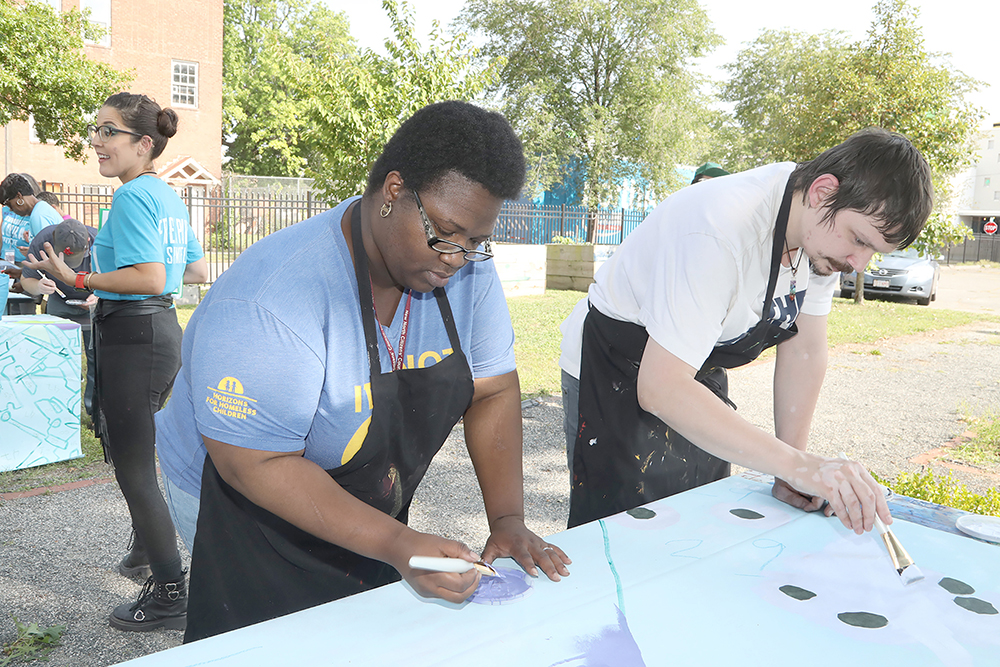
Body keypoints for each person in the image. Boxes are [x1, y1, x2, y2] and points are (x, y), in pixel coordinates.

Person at [153, 100, 572, 643]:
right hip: (240, 500)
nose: (455, 258)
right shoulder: (273, 300)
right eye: (445, 234)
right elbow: (255, 463)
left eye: (475, 242)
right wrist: (398, 544)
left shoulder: (462, 271)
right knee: (269, 642)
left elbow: (491, 390)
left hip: (356, 499)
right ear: (393, 192)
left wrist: (508, 519)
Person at [560, 128, 933, 532]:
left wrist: (791, 469)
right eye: (859, 240)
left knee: (696, 526)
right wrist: (802, 466)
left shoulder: (821, 237)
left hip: (691, 370)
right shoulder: (719, 227)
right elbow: (662, 387)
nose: (859, 263)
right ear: (822, 192)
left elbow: (805, 349)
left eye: (873, 251)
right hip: (616, 370)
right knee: (627, 537)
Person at [23, 92, 208, 632]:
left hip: (134, 337)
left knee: (133, 468)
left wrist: (76, 278)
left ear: (142, 143)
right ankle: (144, 553)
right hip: (158, 332)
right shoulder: (166, 195)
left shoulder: (131, 198)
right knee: (138, 458)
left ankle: (171, 596)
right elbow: (190, 271)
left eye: (108, 132)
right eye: (96, 130)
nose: (96, 142)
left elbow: (149, 277)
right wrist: (89, 281)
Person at [19, 218, 98, 418]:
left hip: (94, 303)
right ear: (53, 244)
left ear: (88, 242)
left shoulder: (101, 241)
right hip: (59, 301)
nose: (70, 269)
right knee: (55, 357)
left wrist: (99, 294)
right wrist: (38, 287)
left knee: (96, 358)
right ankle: (58, 410)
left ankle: (94, 412)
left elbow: (117, 276)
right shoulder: (42, 240)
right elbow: (26, 279)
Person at [1, 173, 58, 314]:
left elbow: (48, 260)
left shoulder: (38, 216)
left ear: (19, 197)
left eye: (10, 204)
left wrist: (26, 281)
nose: (11, 210)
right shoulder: (41, 209)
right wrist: (21, 273)